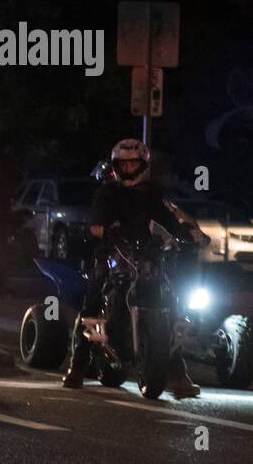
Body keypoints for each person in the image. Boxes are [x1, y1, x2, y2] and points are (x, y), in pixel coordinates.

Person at [62, 138, 208, 395]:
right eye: (124, 164)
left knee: (172, 299)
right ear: (117, 166)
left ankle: (176, 372)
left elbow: (171, 218)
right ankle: (77, 365)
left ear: (143, 165)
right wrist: (101, 229)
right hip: (111, 253)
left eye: (134, 163)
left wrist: (191, 234)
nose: (129, 168)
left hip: (145, 255)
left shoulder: (152, 193)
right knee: (93, 299)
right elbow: (97, 219)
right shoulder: (107, 192)